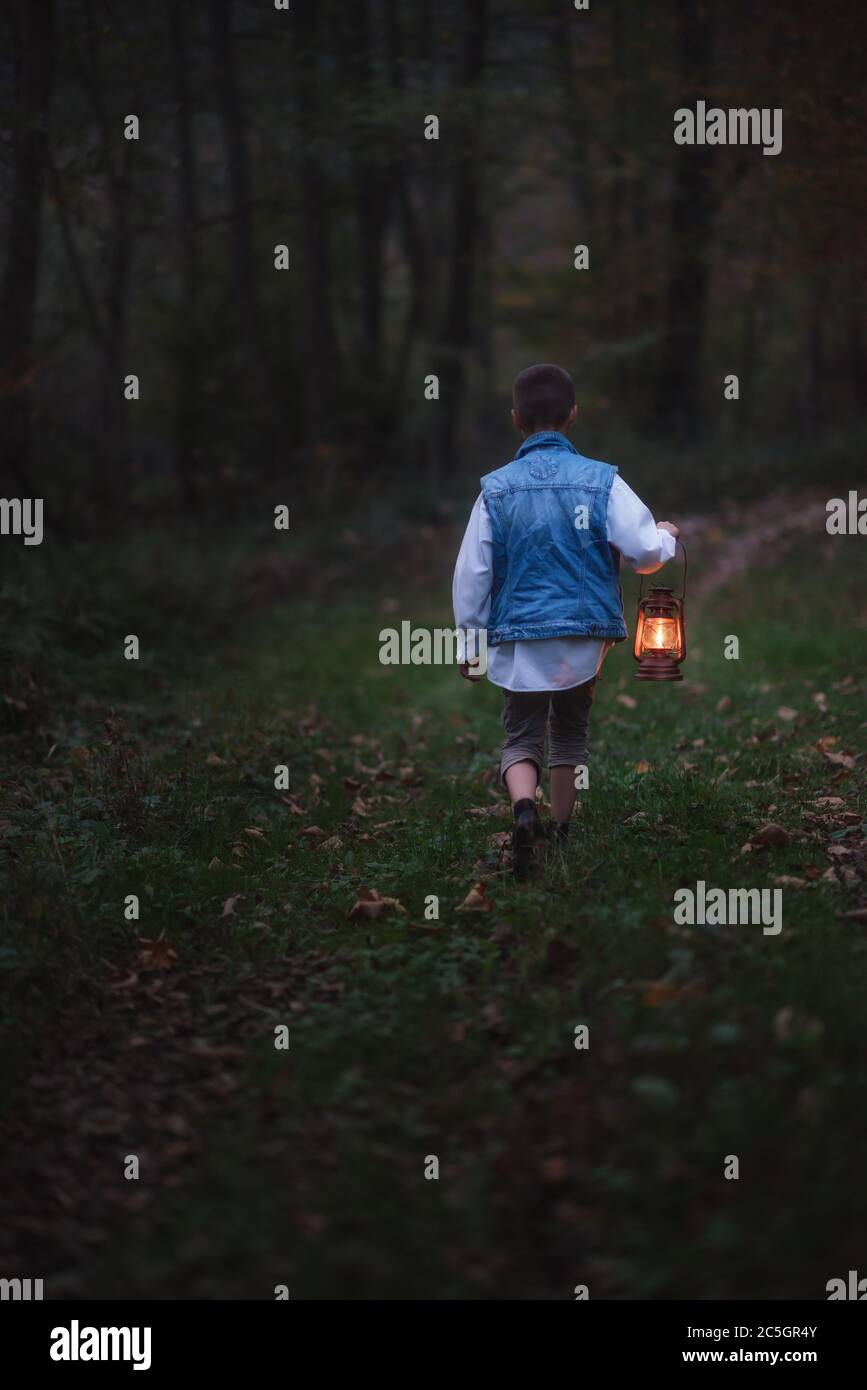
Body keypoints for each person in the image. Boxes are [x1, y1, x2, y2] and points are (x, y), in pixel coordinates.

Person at [452, 363, 679, 877]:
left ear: (515, 419)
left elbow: (473, 572)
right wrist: (665, 534)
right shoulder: (602, 481)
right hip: (582, 636)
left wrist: (470, 640)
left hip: (518, 639)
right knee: (570, 731)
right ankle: (561, 830)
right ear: (574, 415)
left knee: (521, 735)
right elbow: (643, 551)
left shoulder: (494, 490)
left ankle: (522, 808)